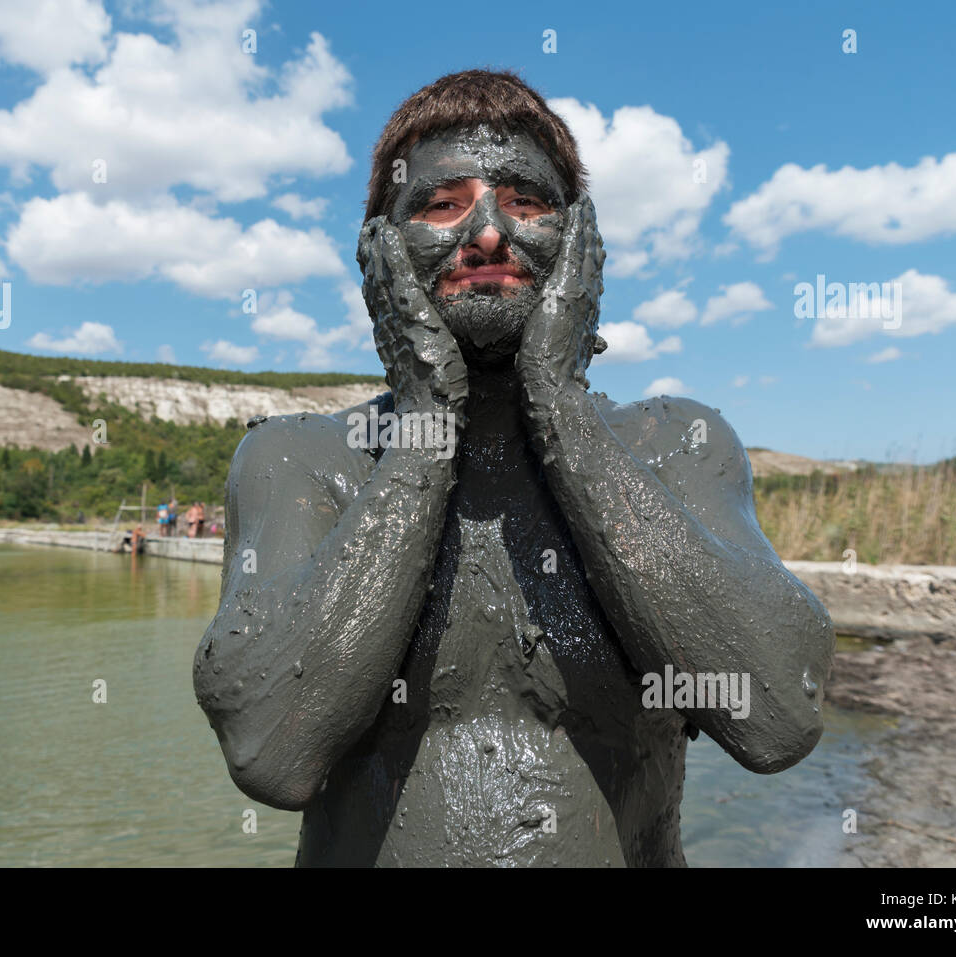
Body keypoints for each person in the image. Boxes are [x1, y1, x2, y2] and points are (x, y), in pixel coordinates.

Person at [194, 70, 835, 867]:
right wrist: (428, 415)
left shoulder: (676, 445)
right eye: (441, 205)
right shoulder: (302, 458)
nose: (488, 232)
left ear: (579, 243)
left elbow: (775, 718)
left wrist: (560, 407)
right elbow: (272, 747)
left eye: (526, 202)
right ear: (380, 252)